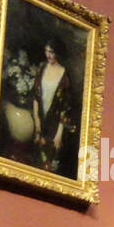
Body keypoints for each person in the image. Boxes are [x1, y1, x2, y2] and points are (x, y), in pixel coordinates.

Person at [31, 38, 78, 177]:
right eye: (46, 51)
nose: (48, 55)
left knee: (51, 163)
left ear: (57, 53)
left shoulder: (64, 74)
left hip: (55, 123)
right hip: (40, 117)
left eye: (51, 52)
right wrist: (36, 118)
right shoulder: (41, 68)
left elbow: (65, 106)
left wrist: (59, 133)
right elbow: (35, 95)